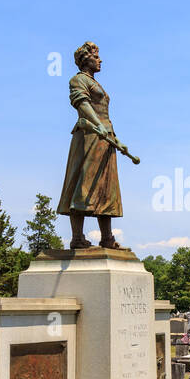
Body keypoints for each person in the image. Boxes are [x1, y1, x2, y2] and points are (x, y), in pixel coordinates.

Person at [56, 41, 128, 249]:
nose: (100, 60)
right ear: (85, 59)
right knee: (83, 183)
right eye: (96, 57)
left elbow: (105, 114)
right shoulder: (78, 80)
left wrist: (115, 138)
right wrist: (98, 125)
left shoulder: (98, 84)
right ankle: (77, 238)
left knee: (106, 187)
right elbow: (82, 104)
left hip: (105, 138)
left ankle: (107, 239)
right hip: (89, 137)